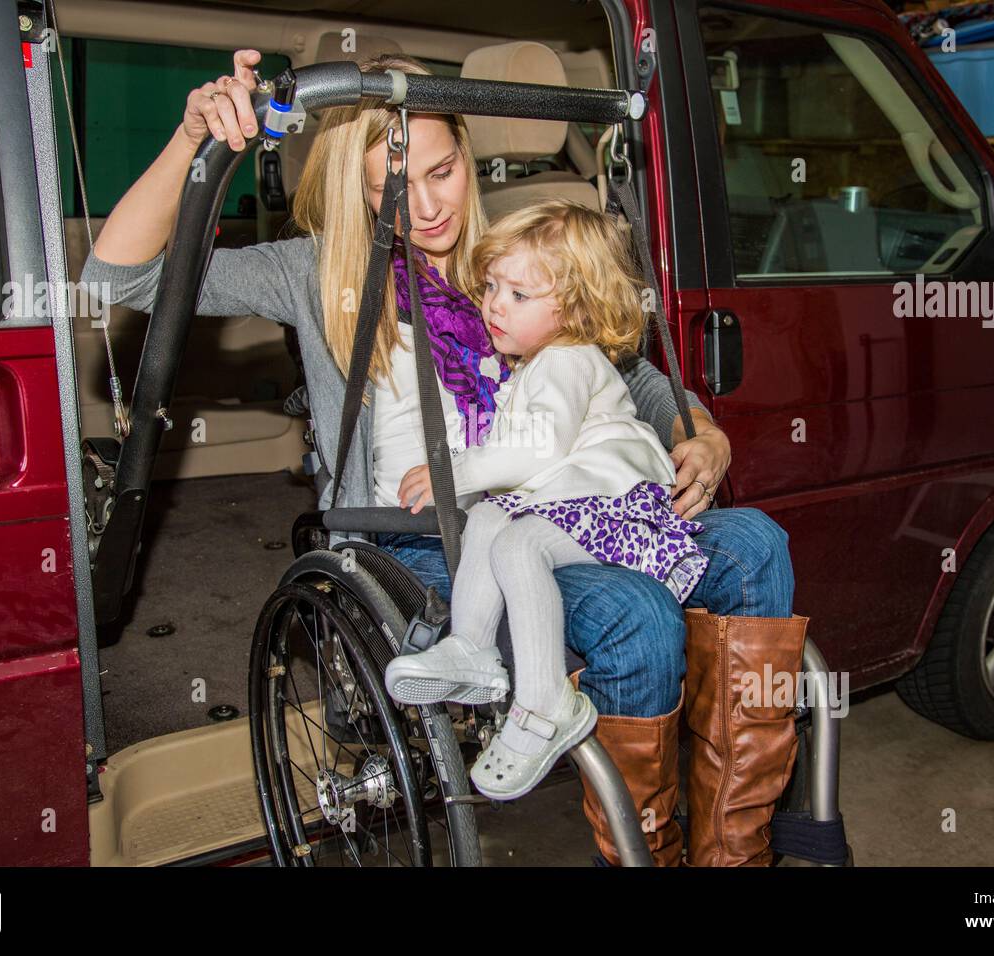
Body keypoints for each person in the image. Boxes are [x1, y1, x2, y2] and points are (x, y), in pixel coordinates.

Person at [80, 48, 797, 866]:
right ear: (358, 188)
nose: (426, 207)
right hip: (424, 535)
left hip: (562, 499)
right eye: (396, 186)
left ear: (466, 149)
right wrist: (193, 141)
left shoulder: (509, 259)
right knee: (638, 616)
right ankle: (648, 852)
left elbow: (627, 370)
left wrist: (698, 430)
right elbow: (119, 282)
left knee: (756, 544)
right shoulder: (317, 273)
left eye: (443, 171)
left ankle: (736, 847)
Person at [383, 199, 711, 802]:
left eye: (519, 294)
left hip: (619, 505)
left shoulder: (565, 360)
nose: (494, 305)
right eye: (490, 288)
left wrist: (452, 470)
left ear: (576, 307)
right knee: (488, 516)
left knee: (519, 543)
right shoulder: (536, 363)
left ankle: (543, 703)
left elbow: (533, 450)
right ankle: (474, 649)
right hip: (583, 501)